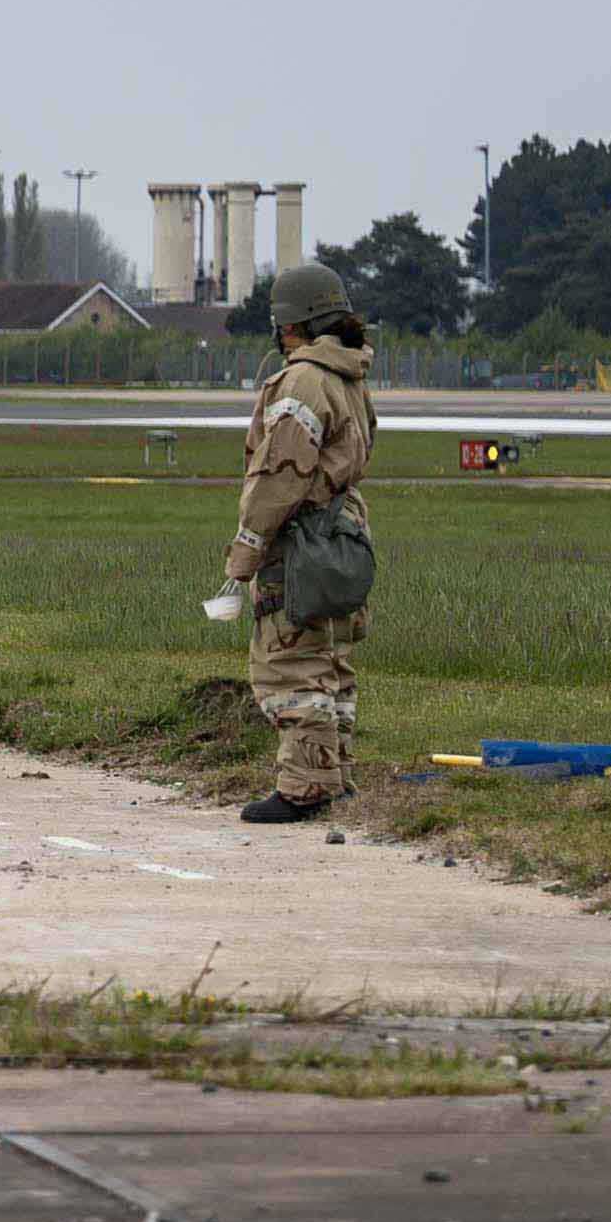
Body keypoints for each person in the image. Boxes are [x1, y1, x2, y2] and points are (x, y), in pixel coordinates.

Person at [224, 259, 378, 823]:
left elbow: (280, 473)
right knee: (331, 656)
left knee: (289, 662)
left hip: (301, 539)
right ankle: (336, 774)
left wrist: (247, 547)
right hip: (343, 529)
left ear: (289, 324)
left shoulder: (303, 380)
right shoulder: (348, 375)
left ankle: (304, 787)